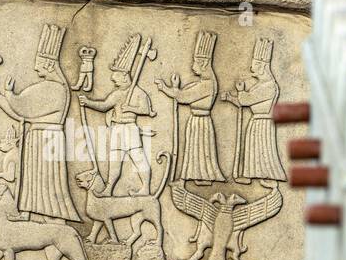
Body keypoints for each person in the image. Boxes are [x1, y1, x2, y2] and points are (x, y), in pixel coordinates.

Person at [0, 23, 82, 222]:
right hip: (40, 137)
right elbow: (22, 116)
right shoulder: (51, 87)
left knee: (46, 183)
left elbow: (22, 107)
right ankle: (33, 216)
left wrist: (8, 94)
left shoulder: (54, 88)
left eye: (39, 63)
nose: (36, 68)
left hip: (45, 139)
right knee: (35, 181)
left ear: (49, 64)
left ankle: (54, 221)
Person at [78, 33, 155, 194]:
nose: (114, 81)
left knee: (138, 158)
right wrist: (88, 102)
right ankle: (109, 188)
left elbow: (148, 111)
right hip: (117, 129)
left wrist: (131, 108)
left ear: (126, 76)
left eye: (117, 78)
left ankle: (146, 188)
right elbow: (104, 105)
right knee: (115, 160)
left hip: (130, 128)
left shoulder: (139, 93)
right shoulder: (117, 94)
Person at [155, 29, 225, 184]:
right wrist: (174, 86)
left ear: (204, 63)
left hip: (200, 121)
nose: (193, 66)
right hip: (197, 120)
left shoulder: (207, 84)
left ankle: (203, 178)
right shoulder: (202, 82)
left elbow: (183, 97)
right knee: (195, 149)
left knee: (199, 149)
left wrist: (165, 88)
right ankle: (196, 177)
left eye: (196, 63)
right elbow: (183, 93)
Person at [222, 37, 287, 184]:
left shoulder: (269, 86)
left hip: (263, 122)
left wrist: (239, 92)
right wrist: (230, 98)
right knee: (253, 149)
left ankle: (266, 177)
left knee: (262, 148)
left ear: (263, 66)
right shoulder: (260, 85)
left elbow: (246, 100)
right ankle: (253, 175)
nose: (252, 69)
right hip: (257, 121)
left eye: (255, 65)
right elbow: (245, 100)